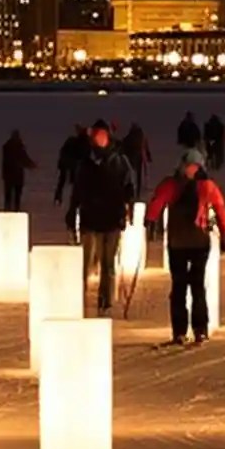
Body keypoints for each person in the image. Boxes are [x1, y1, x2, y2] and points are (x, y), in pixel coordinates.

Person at [144, 162, 225, 346]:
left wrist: (150, 220)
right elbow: (219, 208)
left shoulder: (171, 184)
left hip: (177, 243)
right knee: (198, 286)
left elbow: (157, 202)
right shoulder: (207, 186)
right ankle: (200, 330)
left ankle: (179, 332)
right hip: (199, 242)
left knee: (178, 287)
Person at [68, 120, 136, 316]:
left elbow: (128, 187)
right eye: (96, 135)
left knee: (108, 263)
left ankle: (105, 301)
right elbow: (77, 190)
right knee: (86, 262)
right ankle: (77, 297)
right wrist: (72, 212)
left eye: (102, 135)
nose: (100, 138)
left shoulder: (119, 161)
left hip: (112, 218)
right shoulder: (85, 163)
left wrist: (128, 207)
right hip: (90, 218)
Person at [1, 130, 36, 212]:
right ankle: (12, 209)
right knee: (13, 195)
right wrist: (30, 165)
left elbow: (24, 159)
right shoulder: (13, 147)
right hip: (13, 175)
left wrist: (31, 164)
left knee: (12, 195)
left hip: (12, 175)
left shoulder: (10, 147)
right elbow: (23, 159)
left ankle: (10, 209)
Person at [54, 125, 89, 206]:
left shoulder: (74, 141)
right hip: (70, 164)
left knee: (64, 181)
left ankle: (59, 198)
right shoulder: (82, 143)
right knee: (73, 182)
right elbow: (83, 155)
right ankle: (63, 199)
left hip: (68, 163)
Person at [121, 123, 152, 194]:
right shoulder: (141, 135)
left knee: (132, 175)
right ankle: (137, 191)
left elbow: (125, 144)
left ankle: (136, 191)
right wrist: (148, 155)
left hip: (133, 157)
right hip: (138, 157)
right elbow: (145, 146)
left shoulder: (131, 136)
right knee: (138, 175)